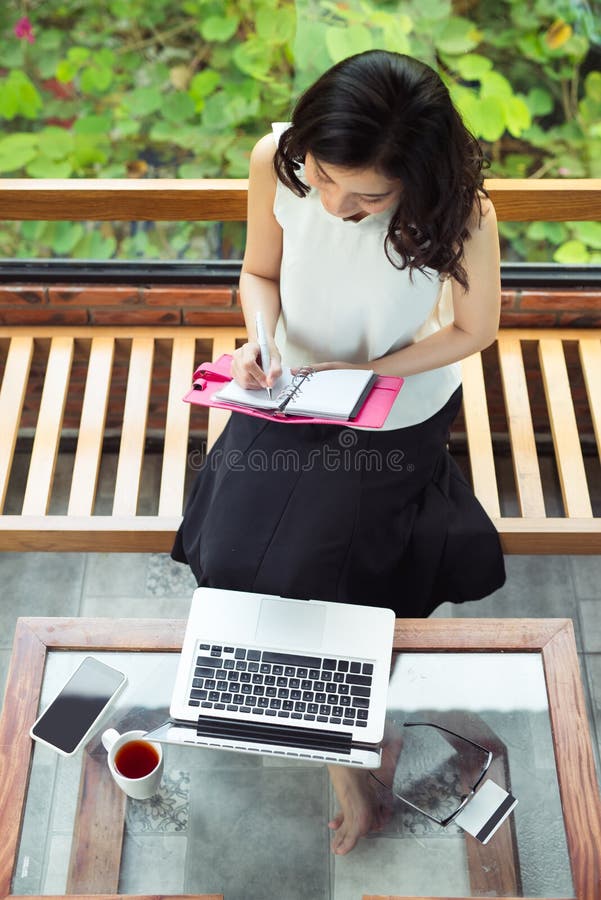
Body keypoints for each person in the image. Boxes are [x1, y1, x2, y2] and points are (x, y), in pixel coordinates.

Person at [172, 49, 506, 855]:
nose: (334, 202)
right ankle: (331, 731)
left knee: (335, 570)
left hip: (391, 408)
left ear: (416, 180)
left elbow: (474, 329)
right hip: (285, 389)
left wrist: (366, 373)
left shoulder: (462, 215)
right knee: (231, 556)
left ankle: (345, 757)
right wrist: (260, 342)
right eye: (324, 178)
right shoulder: (276, 161)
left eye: (367, 195)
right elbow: (258, 273)